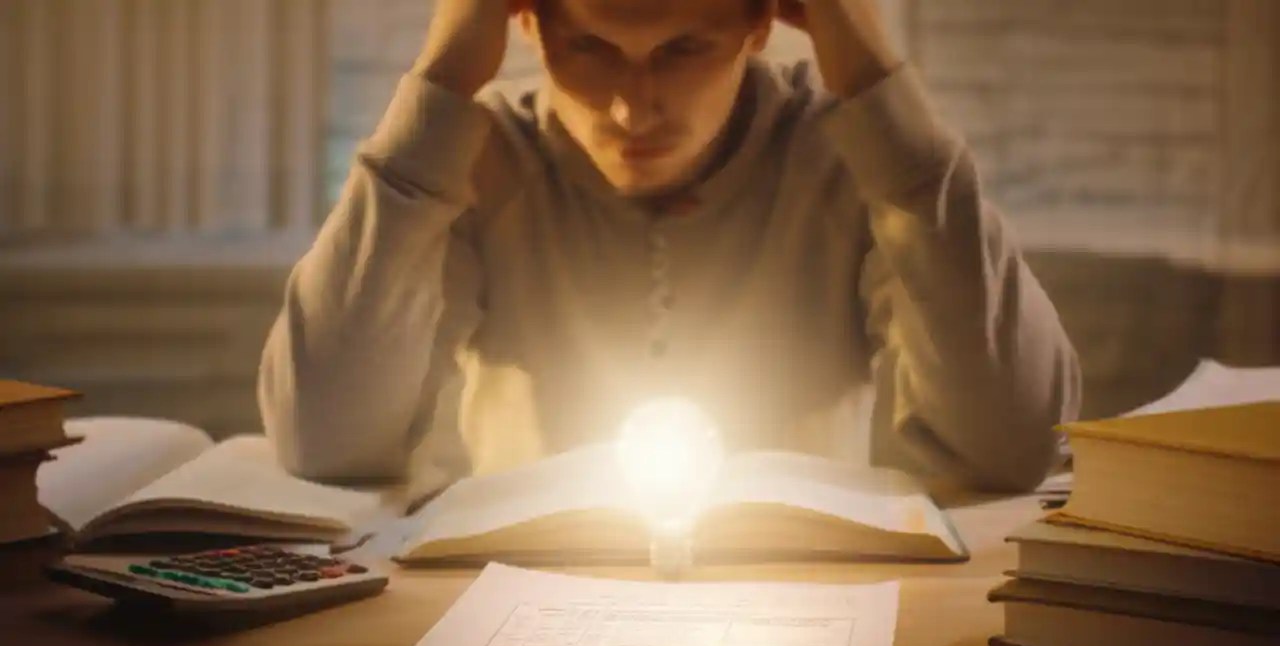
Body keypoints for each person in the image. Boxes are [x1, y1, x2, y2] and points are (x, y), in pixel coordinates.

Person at [258, 0, 1081, 497]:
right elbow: (327, 440)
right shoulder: (481, 160)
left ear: (761, 24)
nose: (632, 108)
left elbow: (1012, 446)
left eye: (685, 49)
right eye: (589, 48)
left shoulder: (841, 157)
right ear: (527, 23)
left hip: (796, 612)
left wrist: (878, 84)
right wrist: (440, 80)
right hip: (521, 608)